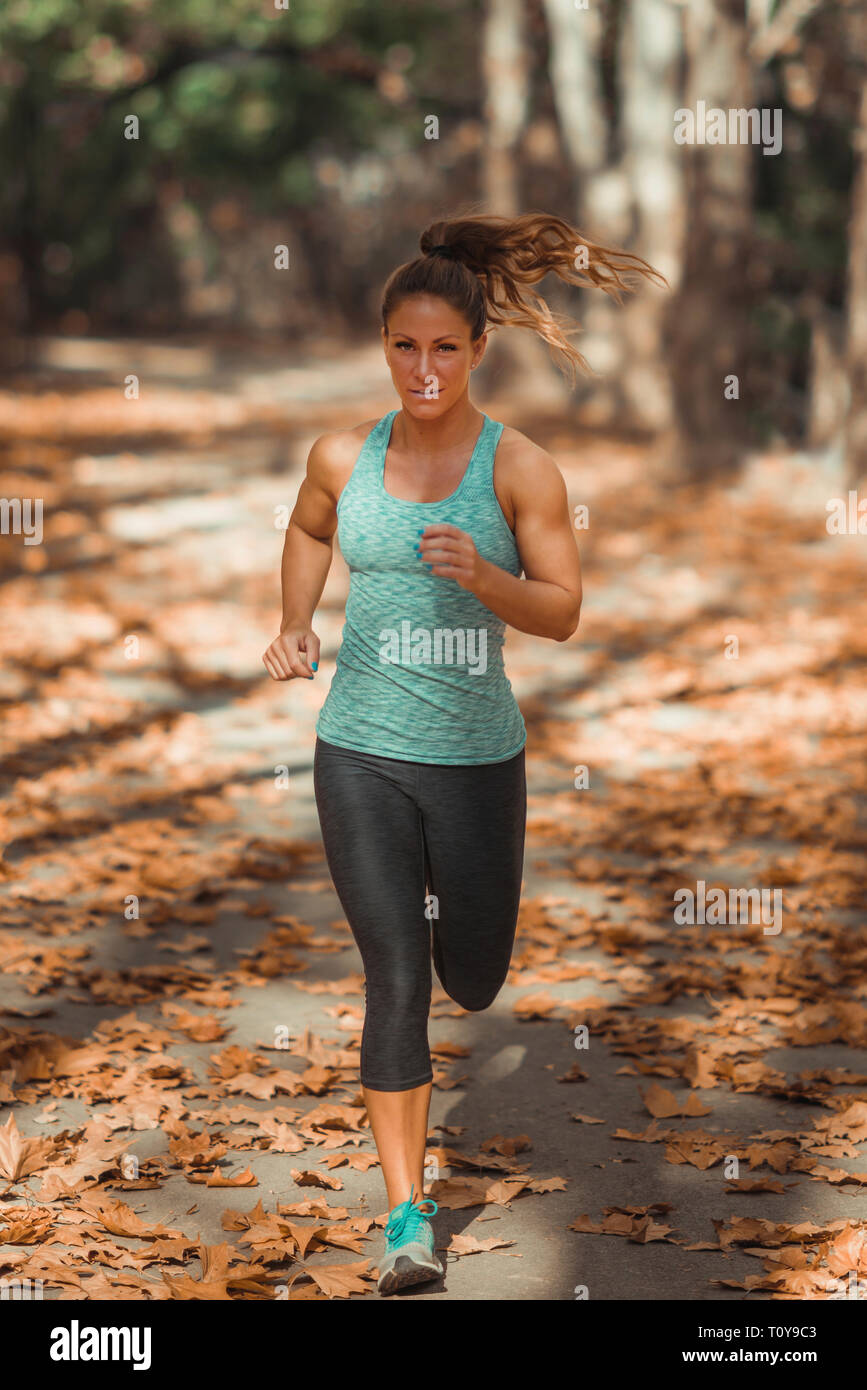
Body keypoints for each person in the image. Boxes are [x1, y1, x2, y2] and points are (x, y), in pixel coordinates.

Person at [262, 212, 665, 1295]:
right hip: (359, 750)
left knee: (473, 977)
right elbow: (306, 527)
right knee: (395, 976)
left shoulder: (521, 468)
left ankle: (468, 955)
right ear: (383, 345)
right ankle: (406, 1217)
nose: (423, 367)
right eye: (404, 346)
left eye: (445, 348)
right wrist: (296, 622)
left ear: (480, 349)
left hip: (479, 760)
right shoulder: (343, 454)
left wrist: (485, 579)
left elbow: (566, 609)